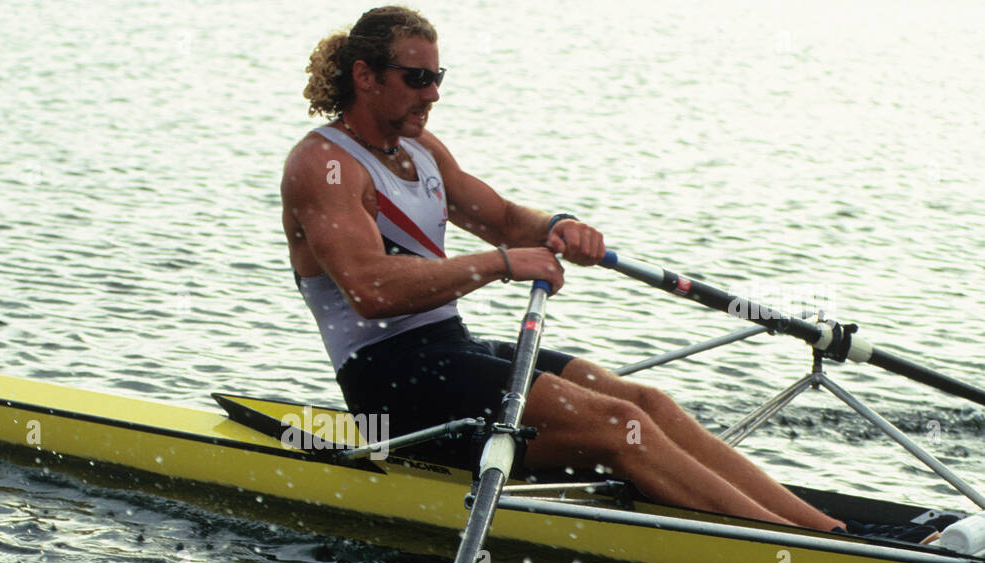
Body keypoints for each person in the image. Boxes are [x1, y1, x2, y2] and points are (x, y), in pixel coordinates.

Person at [281, 5, 841, 532]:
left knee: (647, 404)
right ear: (365, 76)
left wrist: (558, 224)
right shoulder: (324, 165)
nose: (433, 94)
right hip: (391, 385)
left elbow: (504, 220)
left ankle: (832, 531)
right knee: (622, 427)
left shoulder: (420, 148)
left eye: (437, 77)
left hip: (450, 351)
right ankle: (790, 549)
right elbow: (371, 289)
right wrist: (503, 264)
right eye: (417, 79)